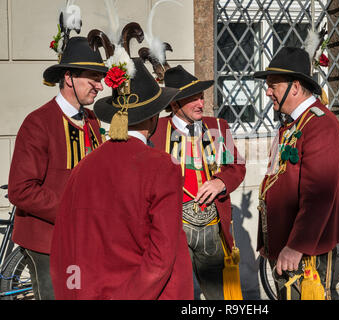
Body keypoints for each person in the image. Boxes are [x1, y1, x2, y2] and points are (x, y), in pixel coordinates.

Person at [50, 55, 193, 299]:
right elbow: (161, 257)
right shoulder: (162, 167)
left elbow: (64, 246)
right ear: (153, 116)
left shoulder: (84, 166)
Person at [7, 36, 108, 299]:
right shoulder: (38, 122)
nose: (100, 86)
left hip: (87, 239)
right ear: (69, 78)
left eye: (100, 79)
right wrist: (73, 211)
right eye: (93, 78)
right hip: (47, 241)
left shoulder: (92, 120)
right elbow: (21, 190)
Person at [253, 47, 339, 300]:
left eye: (272, 85)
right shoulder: (293, 124)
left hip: (304, 251)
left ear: (295, 87)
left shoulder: (321, 124)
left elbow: (319, 195)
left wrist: (297, 245)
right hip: (285, 244)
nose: (267, 92)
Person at [150, 65, 246, 300]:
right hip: (172, 230)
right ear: (174, 104)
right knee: (178, 294)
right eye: (192, 99)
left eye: (201, 96)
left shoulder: (218, 127)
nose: (201, 103)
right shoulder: (156, 131)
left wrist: (220, 182)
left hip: (212, 227)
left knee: (219, 296)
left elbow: (237, 166)